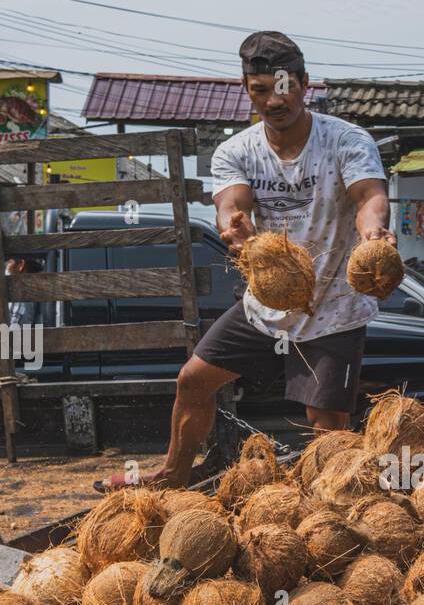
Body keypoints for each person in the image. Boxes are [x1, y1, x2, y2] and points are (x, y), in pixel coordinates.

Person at [99, 30, 394, 490]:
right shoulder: (236, 150)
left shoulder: (345, 141)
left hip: (334, 303)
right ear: (247, 90)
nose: (274, 101)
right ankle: (171, 476)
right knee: (193, 379)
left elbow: (368, 197)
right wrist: (233, 224)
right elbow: (230, 205)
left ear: (303, 84)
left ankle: (332, 509)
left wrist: (374, 233)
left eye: (283, 88)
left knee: (328, 424)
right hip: (267, 300)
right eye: (260, 91)